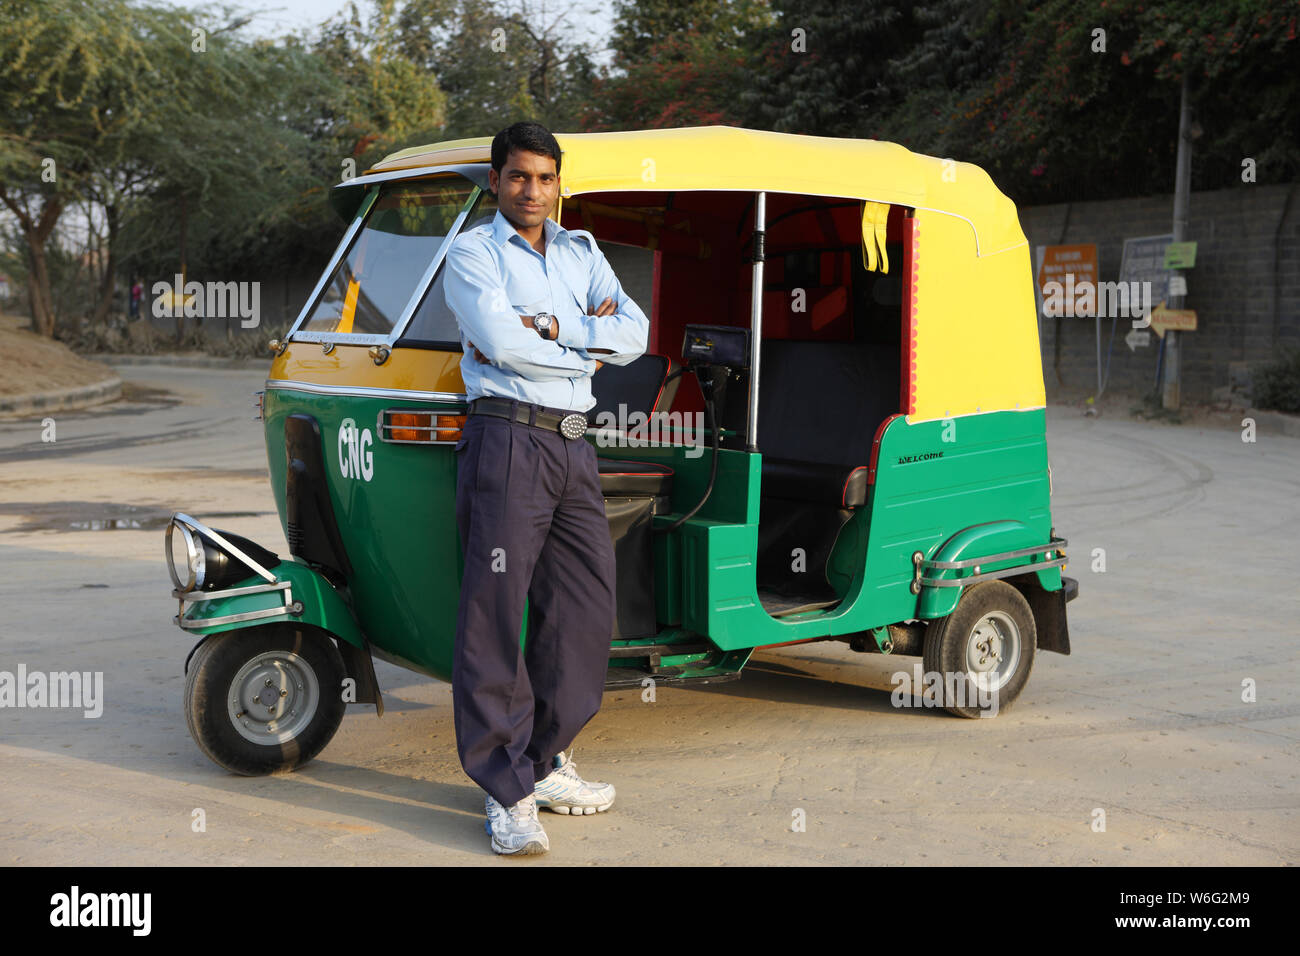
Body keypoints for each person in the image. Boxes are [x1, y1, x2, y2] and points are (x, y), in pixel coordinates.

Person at [442, 121, 649, 855]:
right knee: (493, 614)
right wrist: (579, 347)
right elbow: (499, 342)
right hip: (507, 438)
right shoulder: (471, 253)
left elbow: (636, 331)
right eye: (519, 176)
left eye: (546, 177)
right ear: (496, 181)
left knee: (585, 611)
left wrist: (553, 326)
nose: (533, 190)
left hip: (572, 448)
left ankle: (542, 759)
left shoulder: (580, 252)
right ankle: (506, 793)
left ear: (560, 183)